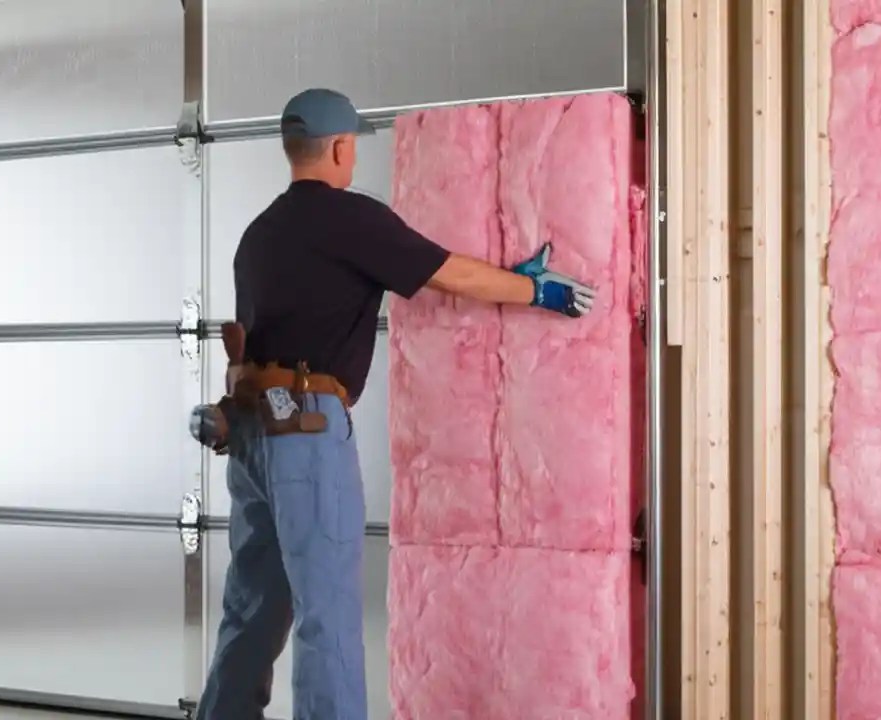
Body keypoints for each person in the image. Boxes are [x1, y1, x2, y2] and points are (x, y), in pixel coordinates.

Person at [196, 88, 595, 720]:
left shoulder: (258, 234)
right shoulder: (351, 219)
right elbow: (447, 273)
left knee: (251, 611)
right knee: (325, 616)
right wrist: (532, 289)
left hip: (250, 437)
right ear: (339, 147)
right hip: (304, 434)